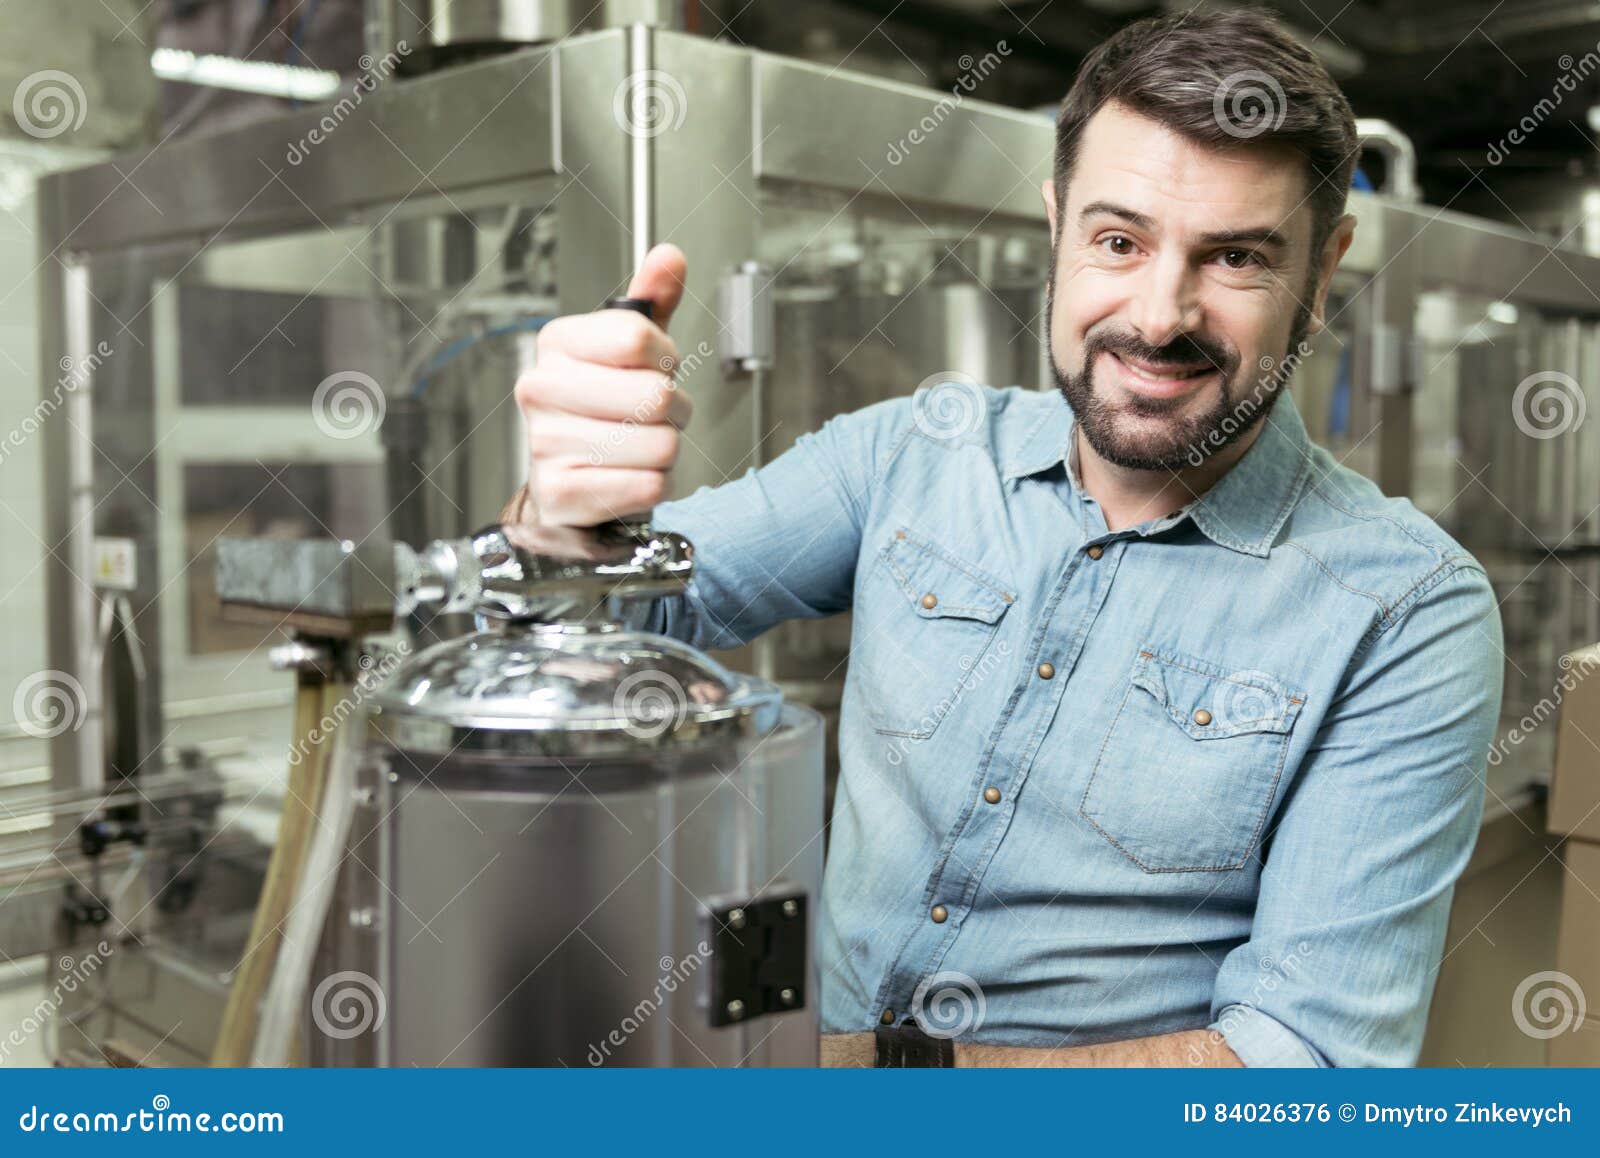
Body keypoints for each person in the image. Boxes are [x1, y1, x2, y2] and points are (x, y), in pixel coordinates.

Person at [501, 9, 1503, 1067]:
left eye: (1237, 258)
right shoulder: (911, 453)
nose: (1158, 316)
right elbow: (614, 619)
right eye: (1117, 241)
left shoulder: (1404, 608)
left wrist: (872, 1083)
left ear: (1325, 267)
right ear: (1055, 223)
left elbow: (1301, 1065)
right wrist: (561, 523)